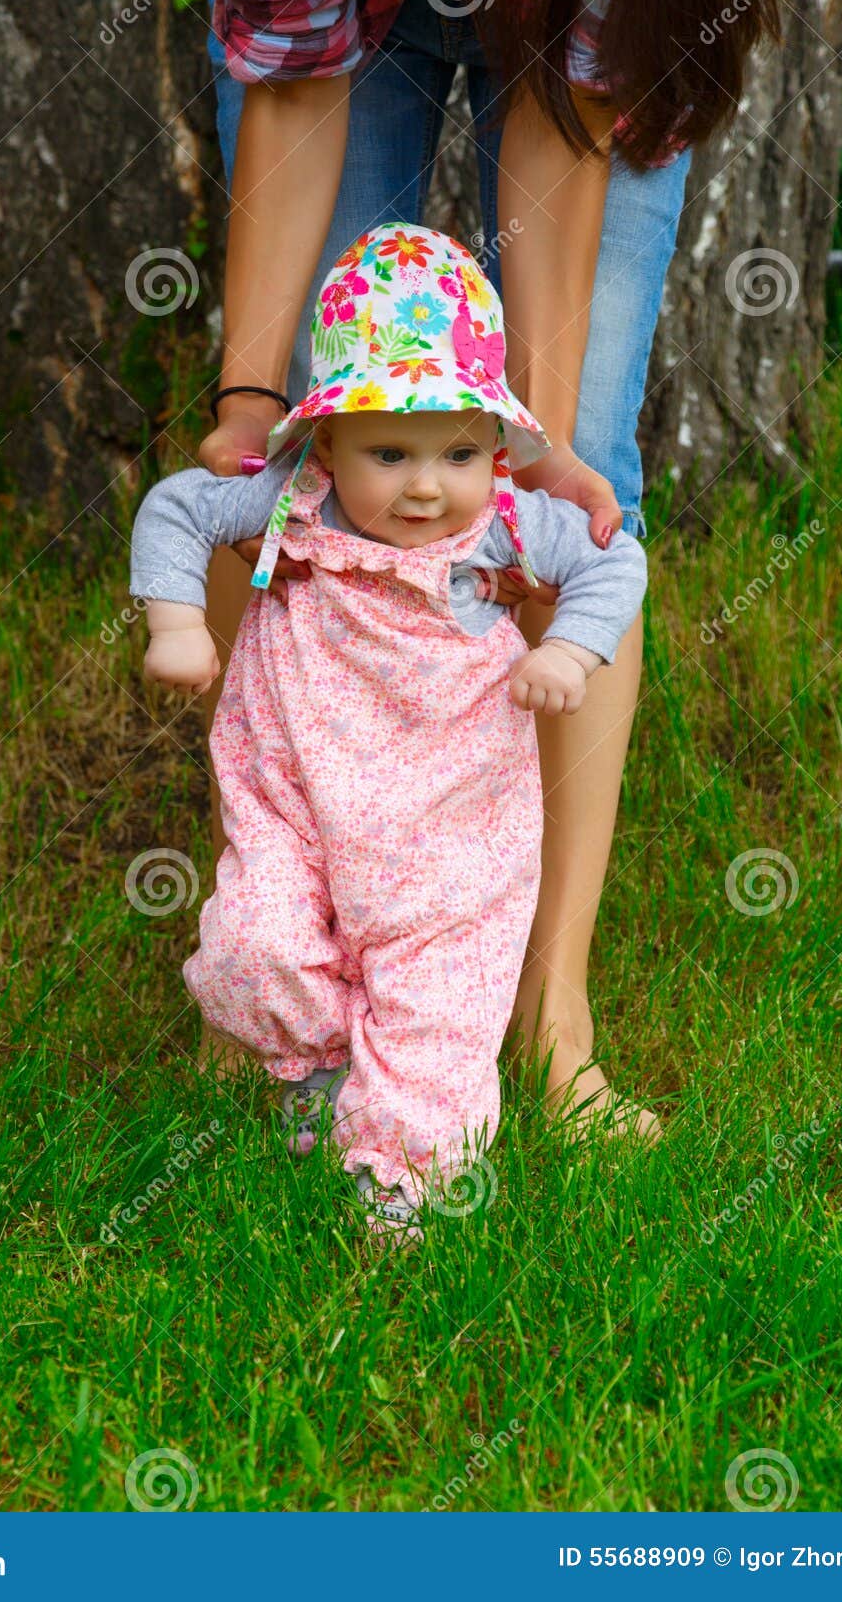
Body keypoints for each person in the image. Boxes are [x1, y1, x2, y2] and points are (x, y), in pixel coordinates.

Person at [196, 0, 787, 1133]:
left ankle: (545, 1006)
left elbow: (566, 123)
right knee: (301, 466)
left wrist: (532, 472)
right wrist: (253, 407)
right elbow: (299, 80)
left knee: (586, 485)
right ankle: (285, 983)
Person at [131, 225, 649, 1237]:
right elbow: (178, 508)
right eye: (390, 453)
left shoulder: (502, 519)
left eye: (458, 451)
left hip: (450, 829)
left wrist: (568, 650)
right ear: (326, 443)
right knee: (253, 948)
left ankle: (395, 1178)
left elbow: (612, 561)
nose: (425, 485)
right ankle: (321, 1062)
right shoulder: (291, 497)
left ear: (496, 449)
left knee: (438, 1011)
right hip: (303, 805)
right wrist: (177, 622)